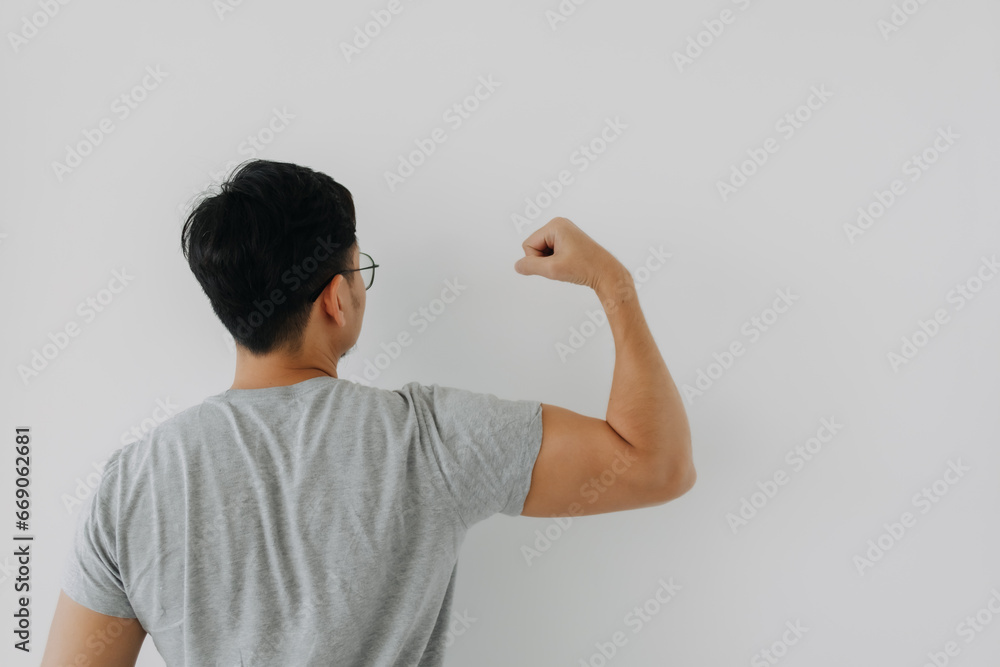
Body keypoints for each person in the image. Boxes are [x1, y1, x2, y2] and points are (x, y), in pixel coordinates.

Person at [41, 159, 695, 666]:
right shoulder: (429, 439)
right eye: (361, 272)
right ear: (336, 299)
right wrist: (614, 284)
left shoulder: (132, 484)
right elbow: (657, 464)